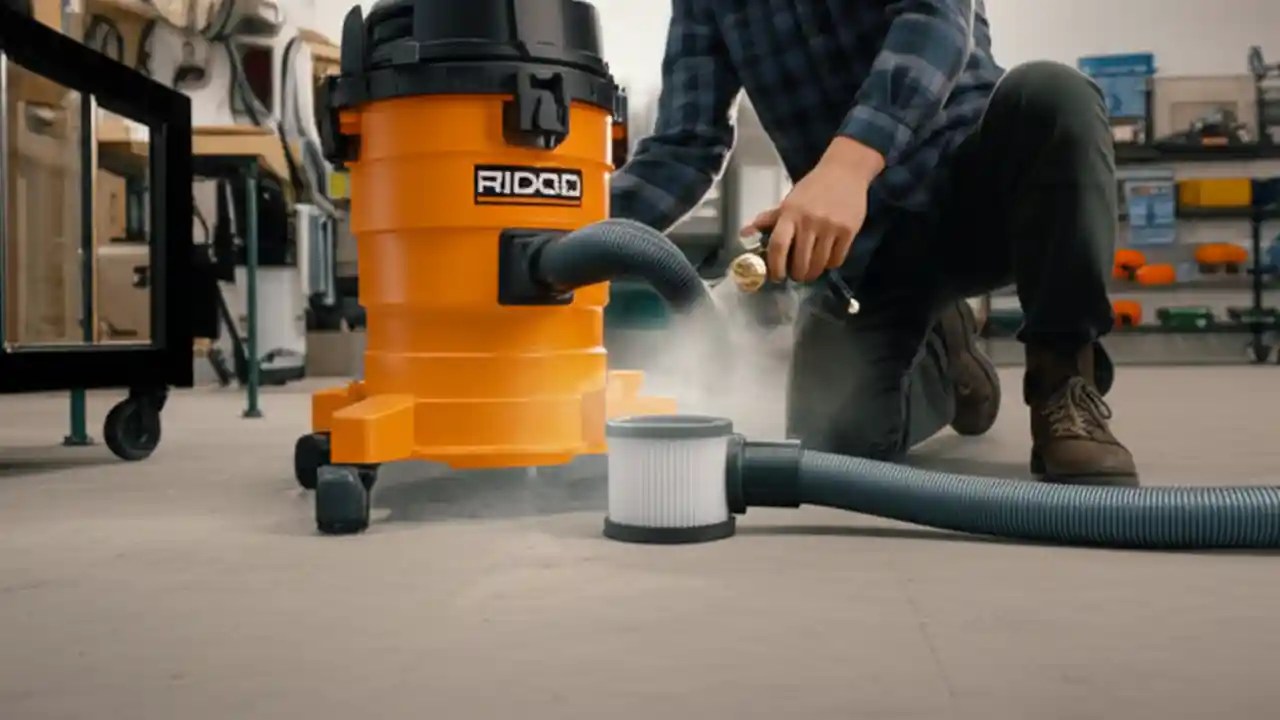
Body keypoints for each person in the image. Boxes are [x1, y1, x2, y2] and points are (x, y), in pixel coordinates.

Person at [609, 0, 1139, 486]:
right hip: (866, 248)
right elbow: (684, 145)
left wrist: (845, 168)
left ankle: (1063, 384)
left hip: (978, 194)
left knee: (1055, 95)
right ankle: (944, 357)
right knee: (833, 446)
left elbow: (933, 24)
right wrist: (574, 230)